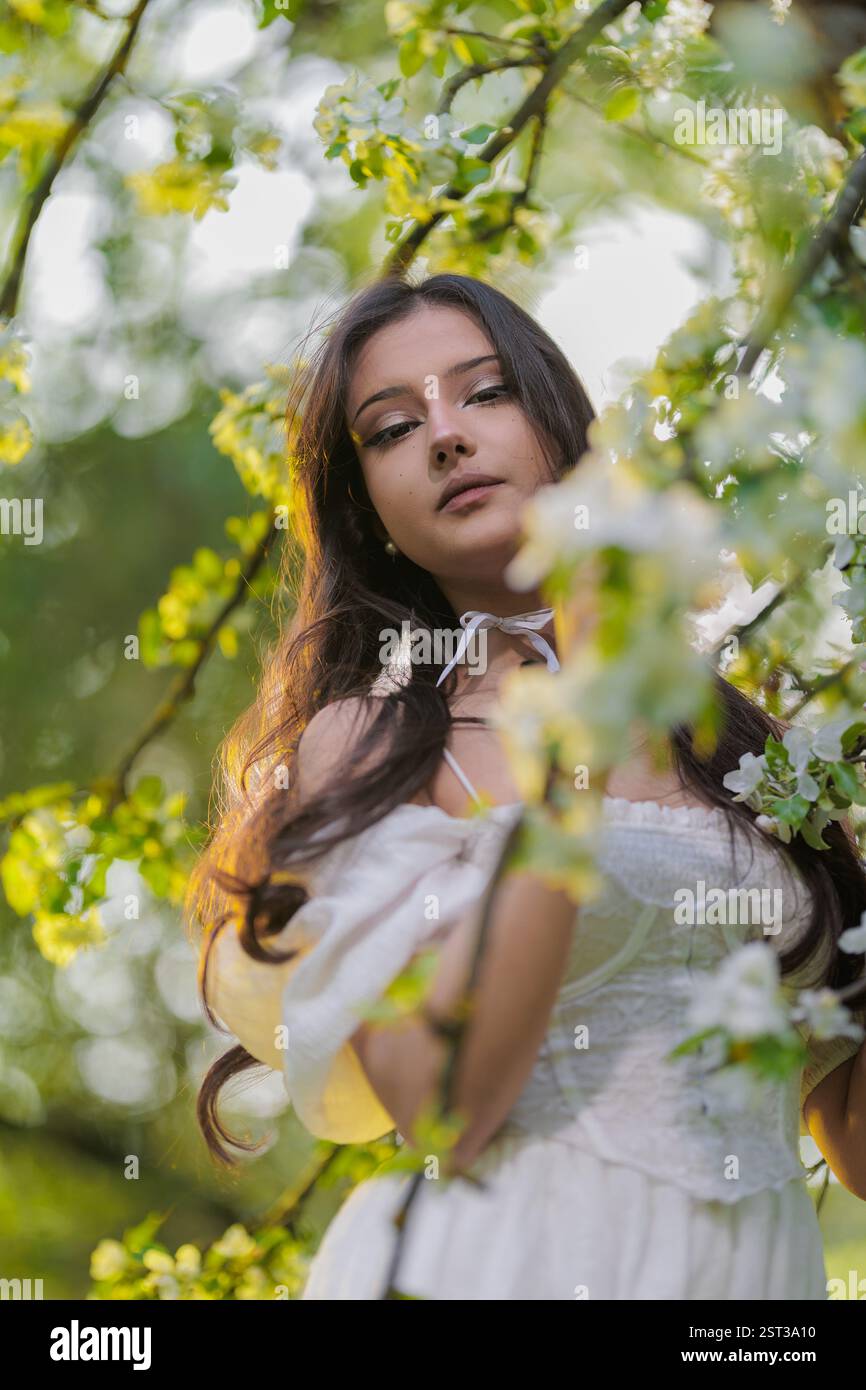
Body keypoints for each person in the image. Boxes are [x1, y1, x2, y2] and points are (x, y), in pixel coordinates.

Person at [188, 272, 866, 1300]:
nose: (445, 436)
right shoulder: (365, 748)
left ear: (561, 423)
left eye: (485, 391)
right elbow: (440, 1103)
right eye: (390, 426)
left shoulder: (742, 746)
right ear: (363, 504)